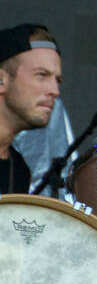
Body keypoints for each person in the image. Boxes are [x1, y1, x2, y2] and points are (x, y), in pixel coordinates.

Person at [0, 24, 63, 196]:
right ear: (1, 80)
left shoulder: (19, 170)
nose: (55, 91)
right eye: (42, 75)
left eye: (58, 80)